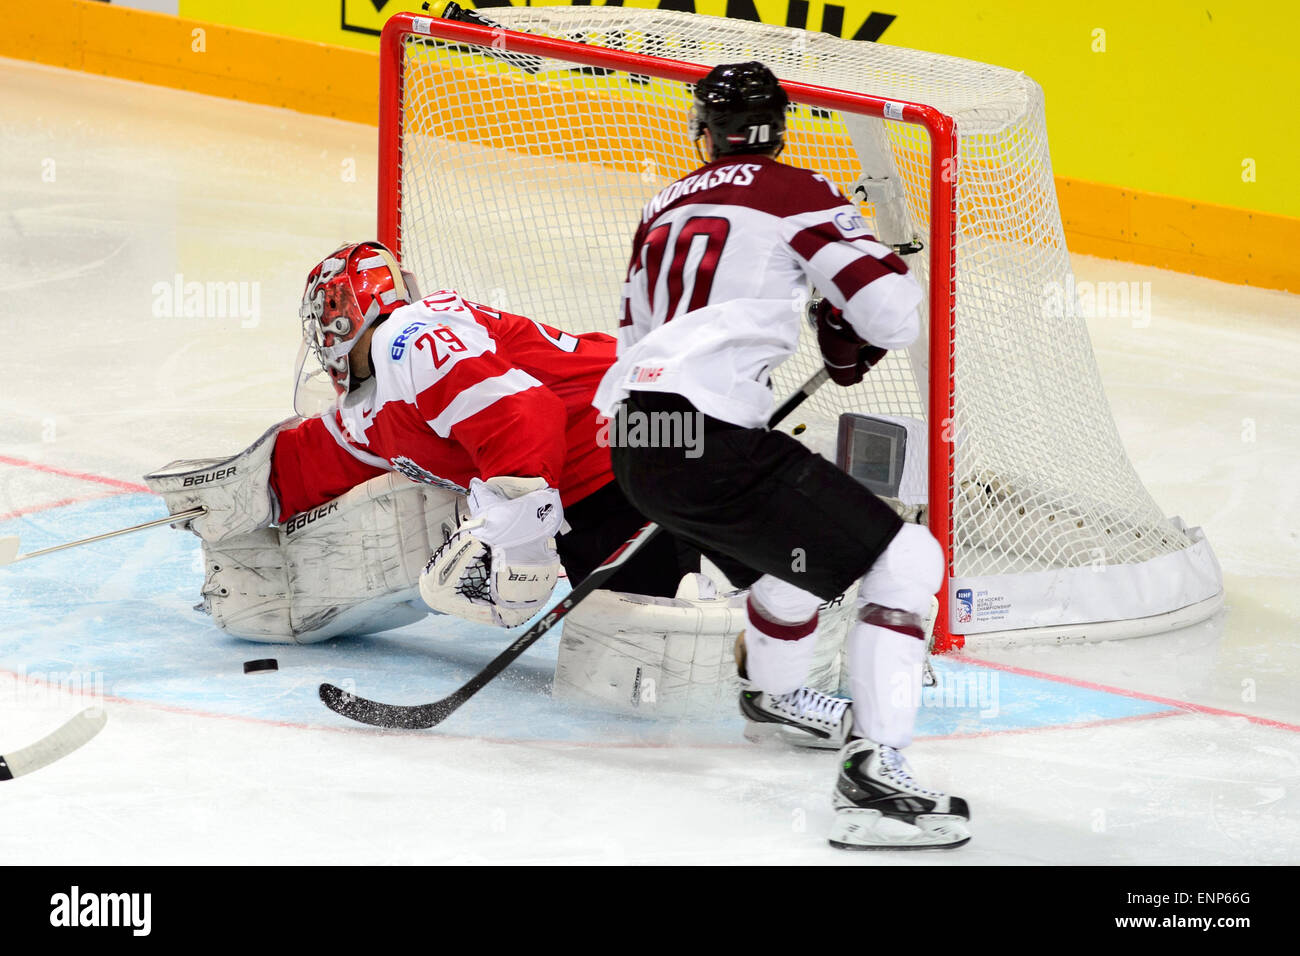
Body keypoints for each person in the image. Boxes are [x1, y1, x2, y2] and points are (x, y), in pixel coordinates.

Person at [593, 63, 971, 848]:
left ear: (706, 129)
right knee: (907, 561)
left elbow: (635, 336)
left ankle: (774, 696)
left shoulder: (662, 205)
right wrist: (846, 313)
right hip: (711, 436)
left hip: (637, 435)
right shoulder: (796, 190)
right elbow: (895, 315)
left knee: (796, 555)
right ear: (779, 127)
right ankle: (876, 780)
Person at [148, 240, 697, 641]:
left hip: (637, 445)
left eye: (322, 319)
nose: (318, 337)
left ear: (345, 316)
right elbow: (324, 457)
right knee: (640, 641)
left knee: (653, 647)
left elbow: (523, 413)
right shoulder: (374, 401)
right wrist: (248, 492)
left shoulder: (409, 339)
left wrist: (522, 536)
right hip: (607, 470)